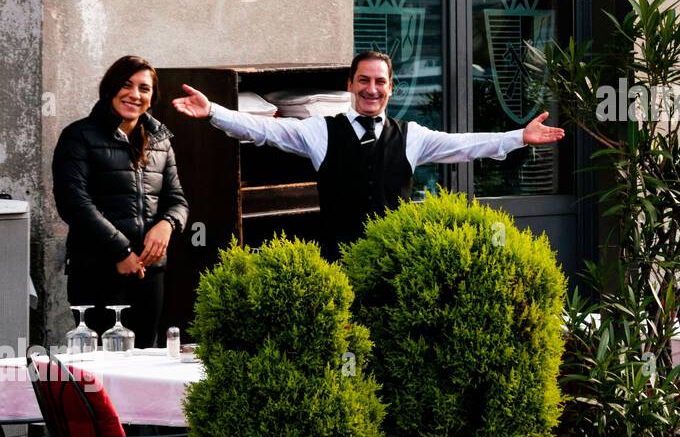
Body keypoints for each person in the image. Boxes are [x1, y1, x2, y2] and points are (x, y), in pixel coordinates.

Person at [171, 50, 565, 259]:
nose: (371, 89)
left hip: (392, 261)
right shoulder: (320, 131)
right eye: (364, 81)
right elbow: (266, 129)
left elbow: (464, 145)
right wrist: (214, 112)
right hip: (336, 260)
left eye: (379, 82)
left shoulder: (412, 136)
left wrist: (518, 137)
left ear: (391, 88)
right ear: (350, 85)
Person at [53, 55, 189, 348]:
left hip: (149, 272)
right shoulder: (78, 136)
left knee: (145, 360)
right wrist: (121, 250)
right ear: (110, 87)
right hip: (96, 269)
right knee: (100, 362)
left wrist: (167, 224)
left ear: (152, 98)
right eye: (127, 85)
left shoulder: (160, 141)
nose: (135, 95)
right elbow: (73, 202)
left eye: (144, 88)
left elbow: (177, 200)